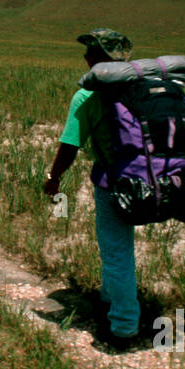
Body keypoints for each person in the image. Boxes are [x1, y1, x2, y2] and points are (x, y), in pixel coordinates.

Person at [42, 28, 141, 350]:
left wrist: (53, 178)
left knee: (116, 251)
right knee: (118, 247)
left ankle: (124, 327)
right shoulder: (145, 85)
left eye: (90, 52)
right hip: (155, 179)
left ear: (99, 58)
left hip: (116, 184)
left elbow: (70, 145)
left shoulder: (88, 94)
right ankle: (108, 296)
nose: (85, 58)